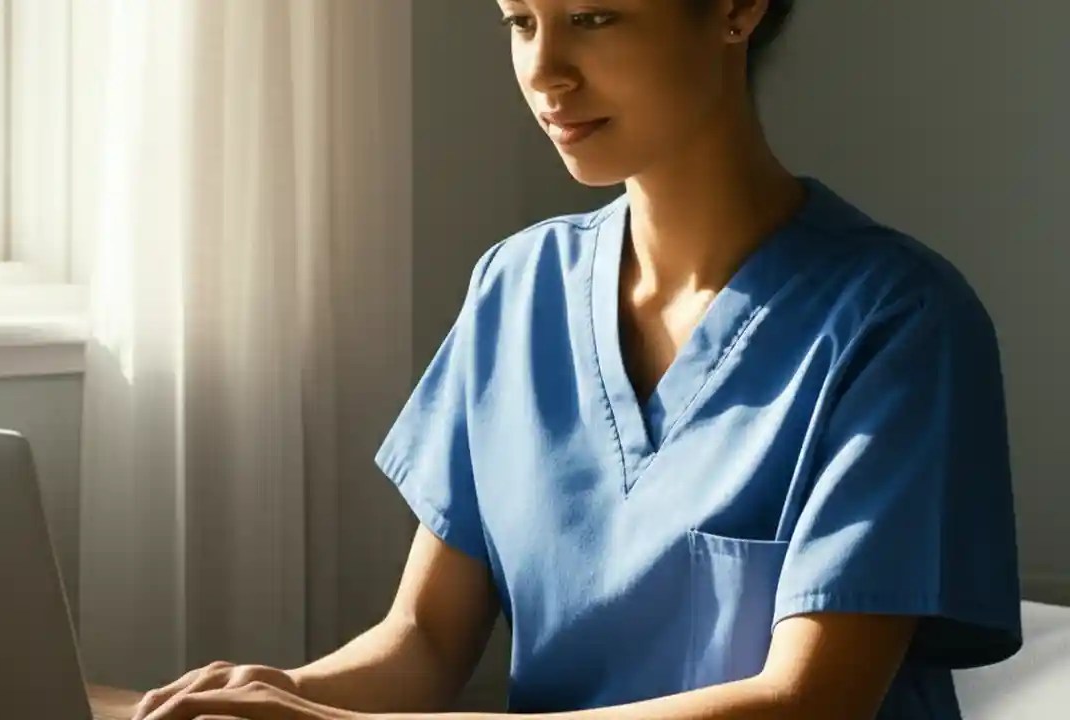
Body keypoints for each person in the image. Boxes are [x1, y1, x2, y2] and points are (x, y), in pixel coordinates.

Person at [133, 1, 1023, 718]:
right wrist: (276, 696)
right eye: (522, 21)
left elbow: (808, 701)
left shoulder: (897, 321)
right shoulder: (519, 288)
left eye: (593, 18)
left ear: (737, 11)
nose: (545, 72)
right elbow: (425, 641)